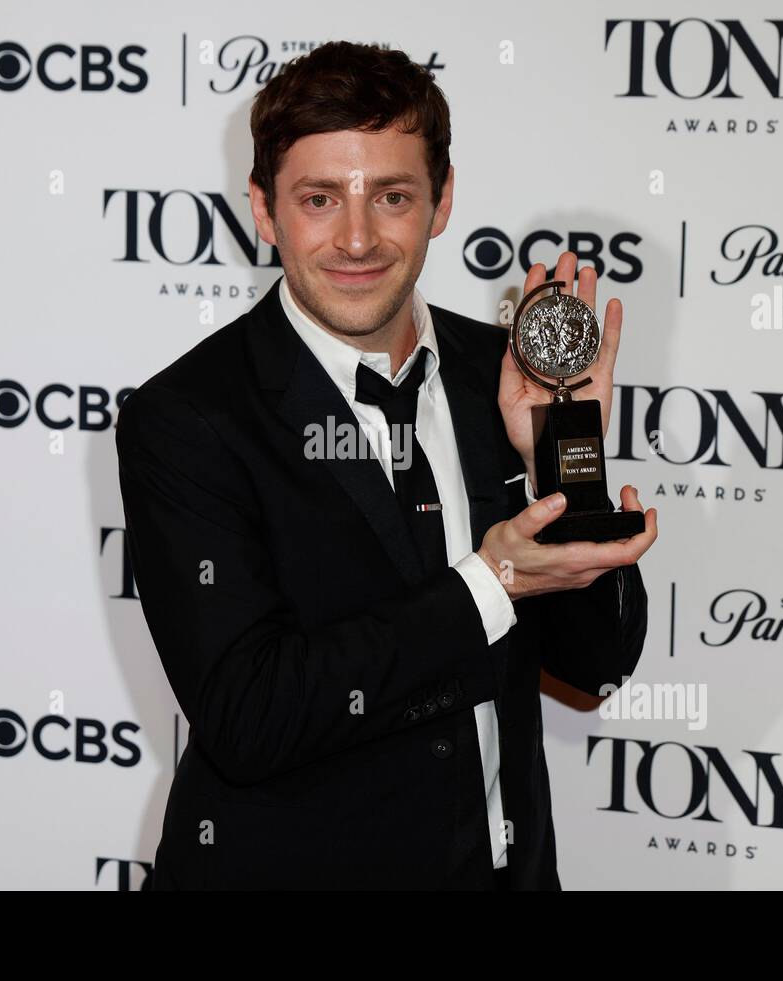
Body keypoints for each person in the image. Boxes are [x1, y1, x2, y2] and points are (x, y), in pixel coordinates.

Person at [115, 40, 657, 890]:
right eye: (319, 198)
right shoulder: (188, 419)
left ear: (441, 203)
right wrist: (494, 579)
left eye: (393, 196)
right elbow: (250, 718)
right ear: (263, 209)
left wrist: (563, 462)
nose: (358, 237)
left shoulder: (499, 373)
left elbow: (596, 663)